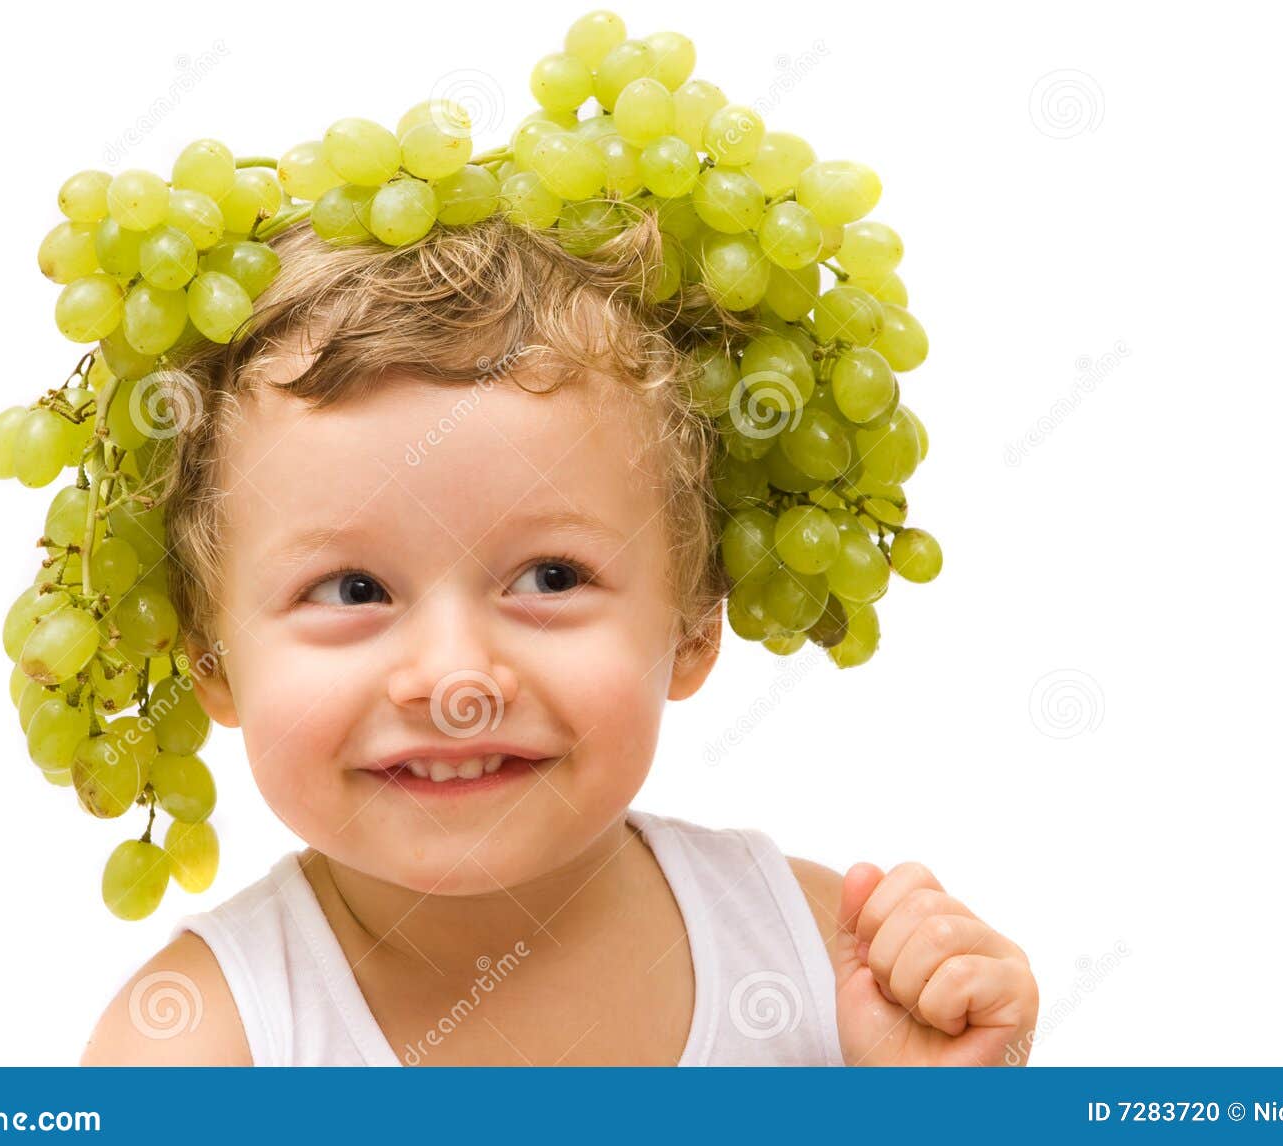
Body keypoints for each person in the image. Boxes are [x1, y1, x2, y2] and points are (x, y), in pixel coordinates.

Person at [80, 213, 1038, 1066]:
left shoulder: (824, 961)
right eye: (353, 588)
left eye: (551, 577)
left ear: (695, 621)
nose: (455, 678)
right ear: (211, 657)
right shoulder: (199, 1049)